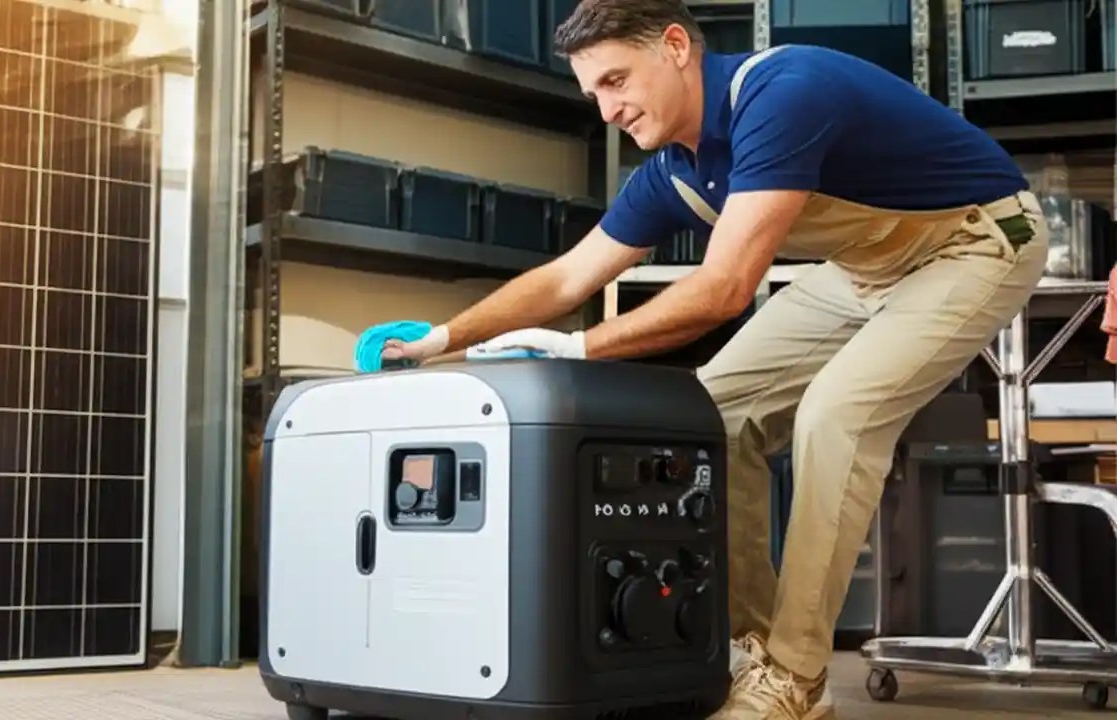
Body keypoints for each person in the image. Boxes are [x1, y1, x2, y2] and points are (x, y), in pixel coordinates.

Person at [380, 0, 1046, 717]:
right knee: (713, 416)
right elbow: (569, 277)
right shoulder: (675, 173)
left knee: (837, 417)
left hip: (977, 243)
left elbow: (724, 289)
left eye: (615, 81)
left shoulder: (781, 93)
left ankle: (795, 678)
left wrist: (579, 346)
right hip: (866, 269)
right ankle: (752, 652)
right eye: (593, 94)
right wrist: (443, 340)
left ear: (674, 46)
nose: (607, 111)